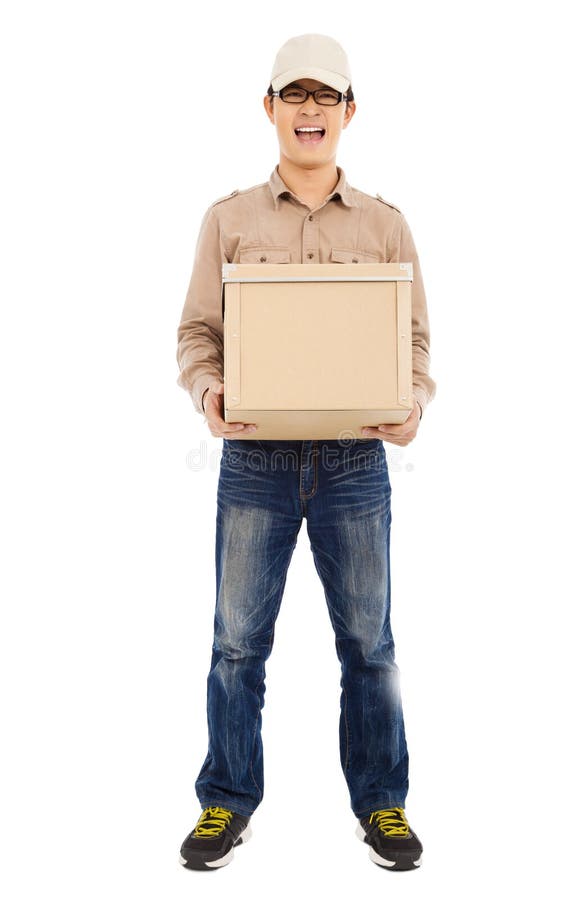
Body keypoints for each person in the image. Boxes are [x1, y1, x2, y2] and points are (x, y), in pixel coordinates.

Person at [176, 33, 436, 872]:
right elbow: (197, 335)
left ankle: (382, 803)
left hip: (355, 464)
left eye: (327, 96)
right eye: (296, 94)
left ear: (350, 111)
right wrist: (209, 394)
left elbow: (415, 341)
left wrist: (413, 403)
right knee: (236, 645)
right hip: (255, 462)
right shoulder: (229, 219)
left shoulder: (386, 225)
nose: (311, 110)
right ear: (270, 107)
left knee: (370, 646)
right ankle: (226, 802)